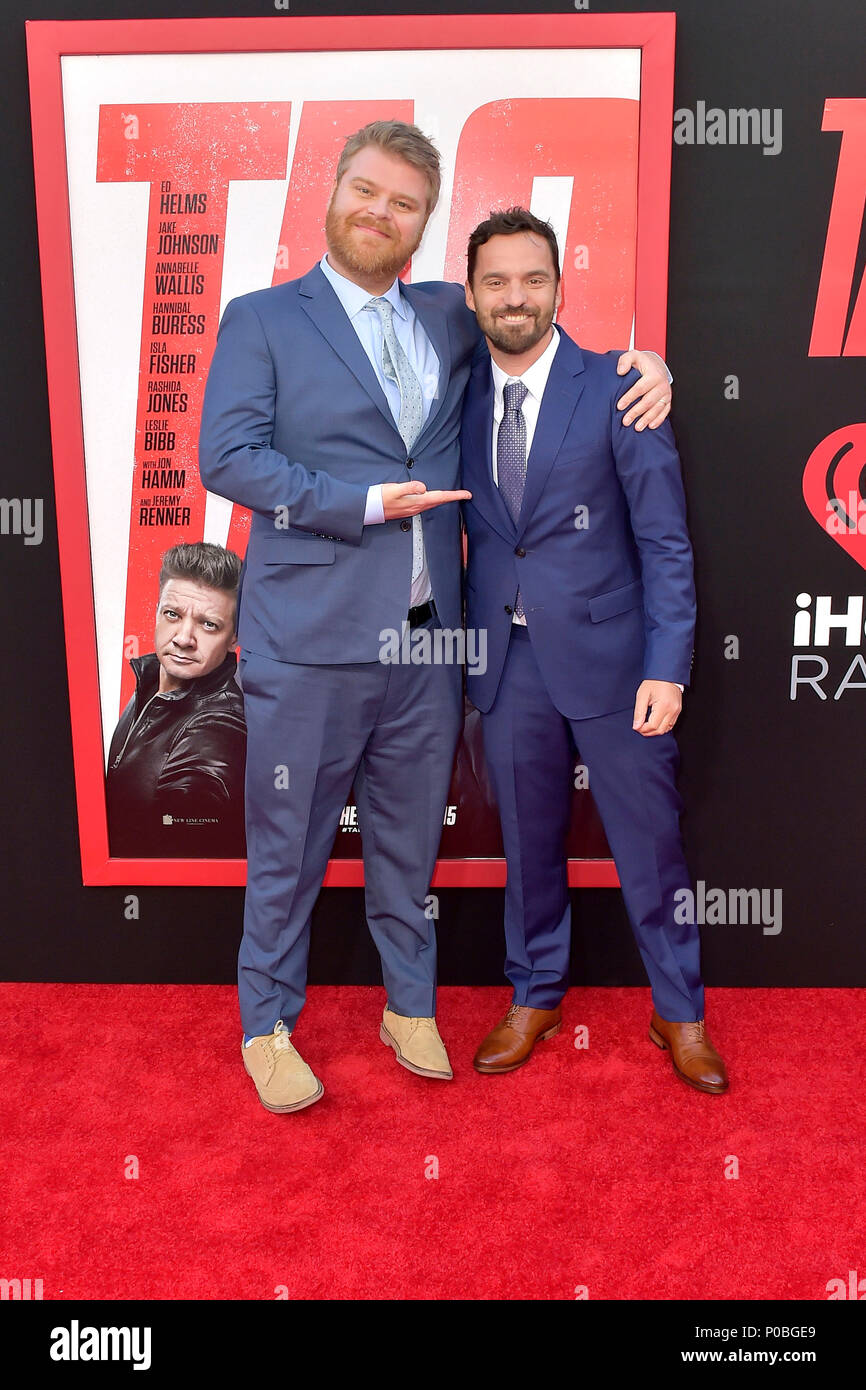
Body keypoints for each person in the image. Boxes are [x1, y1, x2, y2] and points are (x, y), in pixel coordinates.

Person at [199, 120, 671, 1114]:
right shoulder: (260, 318)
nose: (379, 212)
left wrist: (649, 364)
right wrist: (364, 503)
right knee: (287, 846)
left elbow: (540, 338)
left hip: (430, 645)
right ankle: (265, 1021)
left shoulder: (450, 314)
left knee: (407, 846)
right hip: (311, 640)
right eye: (366, 191)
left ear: (422, 224)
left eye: (403, 203)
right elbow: (228, 459)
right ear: (331, 193)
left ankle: (408, 1003)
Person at [460, 208, 728, 1094]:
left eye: (533, 279)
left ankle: (679, 1010)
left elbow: (666, 541)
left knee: (651, 846)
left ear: (560, 289)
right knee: (528, 847)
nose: (515, 297)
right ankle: (534, 994)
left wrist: (668, 664)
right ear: (470, 293)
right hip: (507, 659)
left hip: (618, 662)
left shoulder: (621, 386)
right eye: (495, 281)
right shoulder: (455, 392)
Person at [106, 542, 246, 859]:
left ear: (235, 636)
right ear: (156, 612)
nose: (183, 638)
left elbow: (183, 847)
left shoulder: (219, 727)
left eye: (208, 624)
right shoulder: (152, 679)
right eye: (173, 614)